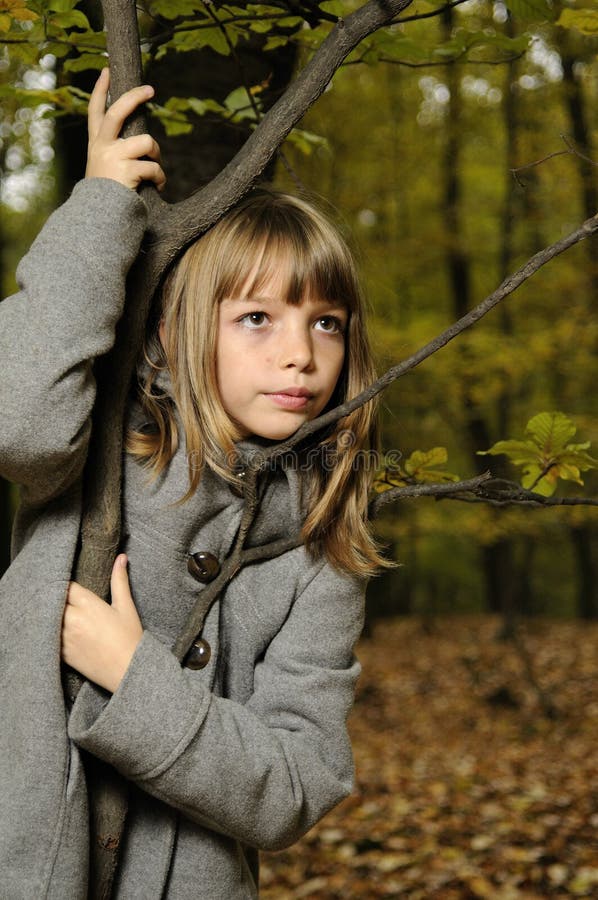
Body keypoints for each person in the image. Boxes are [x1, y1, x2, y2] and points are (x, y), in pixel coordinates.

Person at [0, 69, 384, 898]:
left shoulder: (320, 544)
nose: (301, 354)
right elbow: (15, 420)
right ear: (174, 333)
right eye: (257, 318)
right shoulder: (99, 445)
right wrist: (101, 208)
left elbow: (295, 786)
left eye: (327, 322)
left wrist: (132, 671)